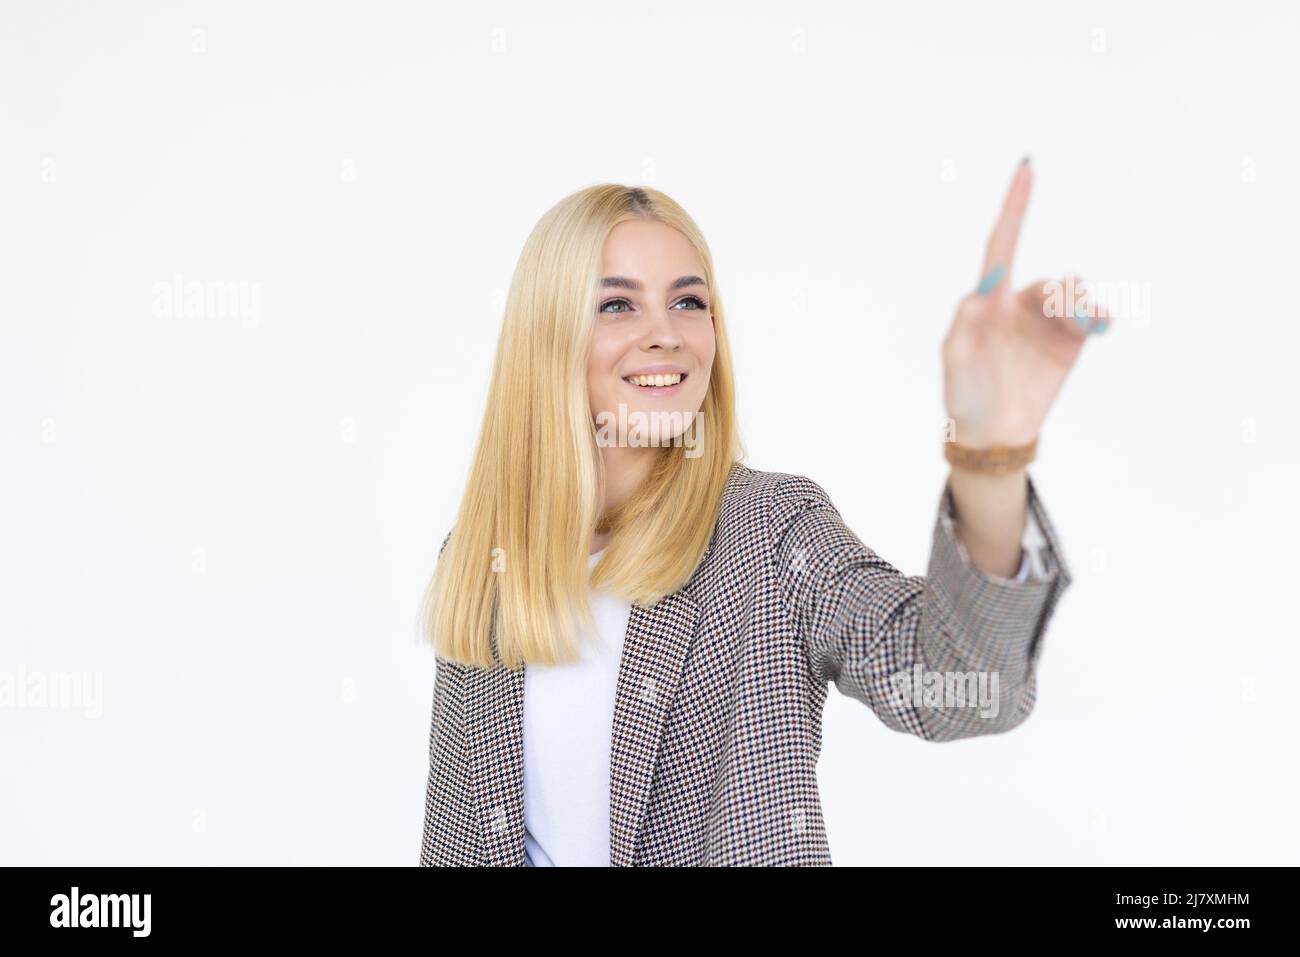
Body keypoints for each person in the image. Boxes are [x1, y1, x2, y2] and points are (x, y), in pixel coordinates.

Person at [418, 160, 1104, 866]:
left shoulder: (770, 529)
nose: (666, 334)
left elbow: (963, 684)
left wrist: (989, 454)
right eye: (617, 304)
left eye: (689, 302)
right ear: (546, 335)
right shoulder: (482, 559)